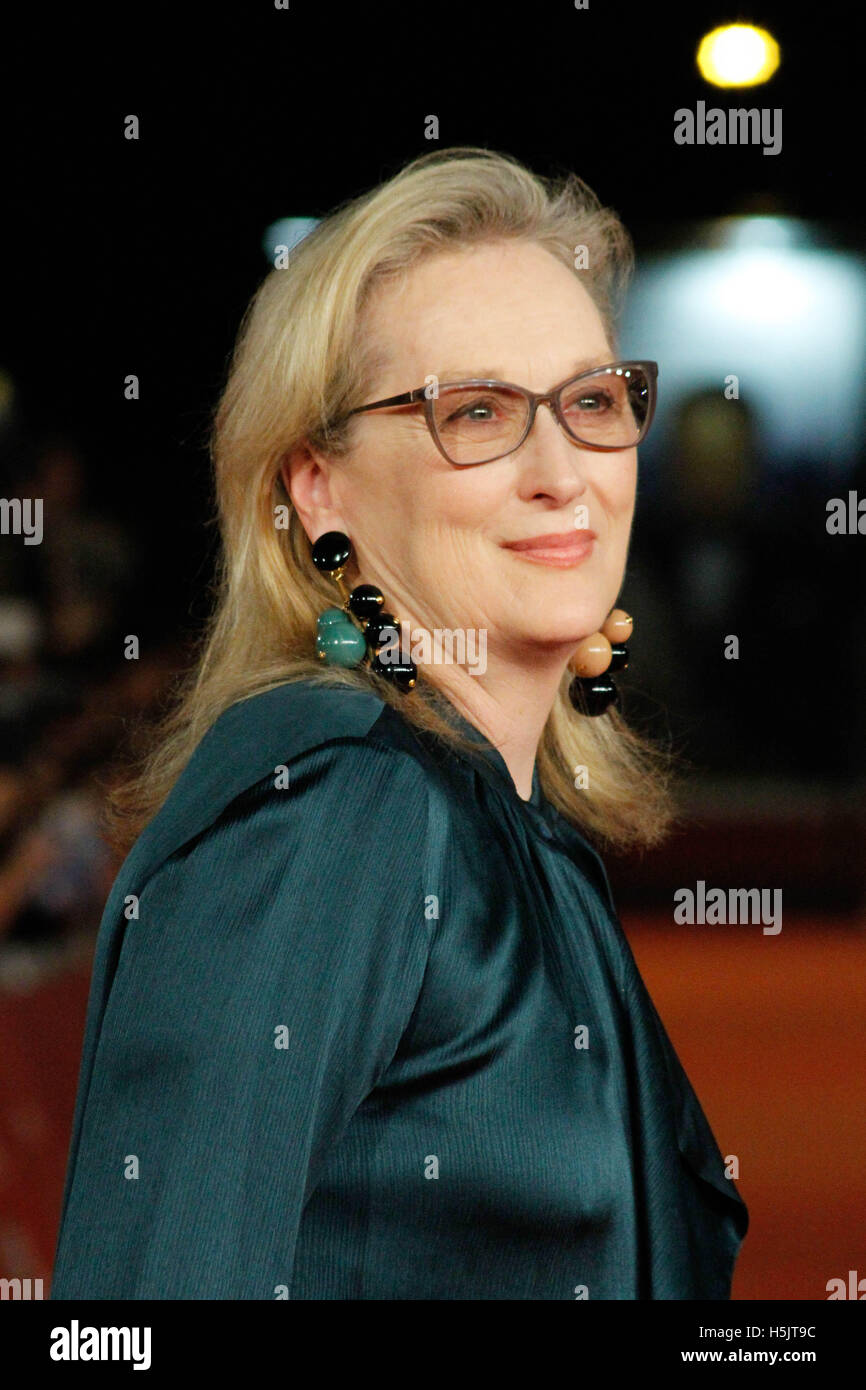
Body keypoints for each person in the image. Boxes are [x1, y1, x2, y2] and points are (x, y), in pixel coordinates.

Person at [50, 146, 748, 1300]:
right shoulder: (335, 809)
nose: (561, 471)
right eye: (474, 411)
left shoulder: (513, 827)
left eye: (589, 401)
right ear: (316, 486)